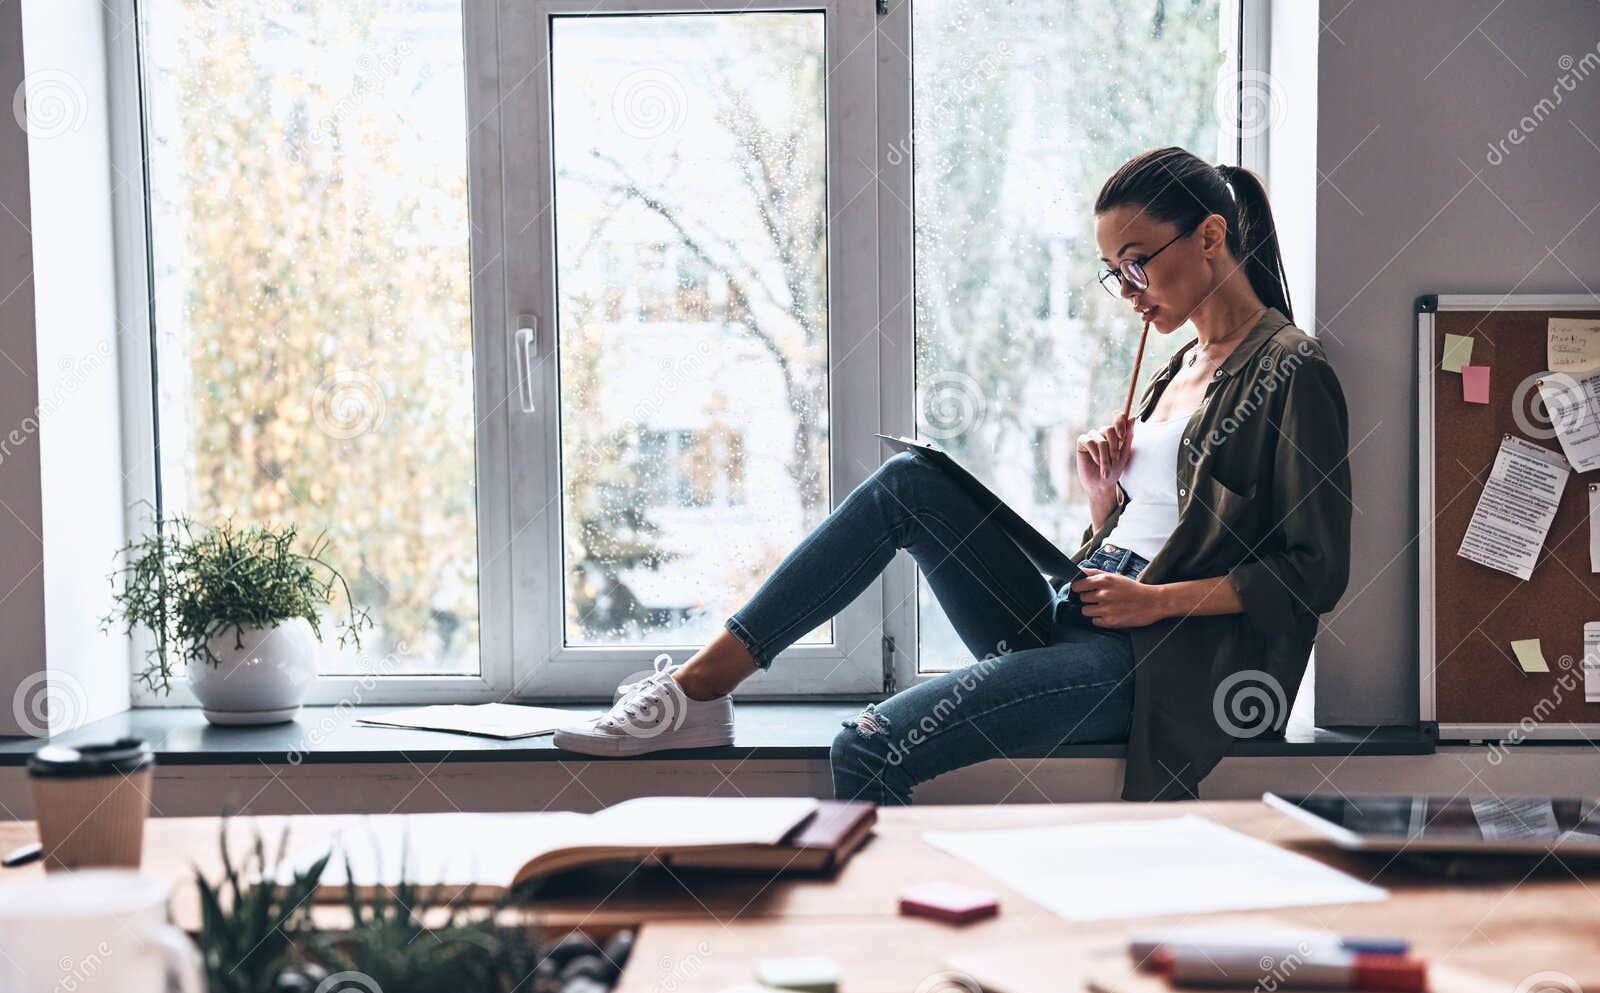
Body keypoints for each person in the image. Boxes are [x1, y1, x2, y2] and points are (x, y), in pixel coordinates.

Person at [554, 145, 1353, 804]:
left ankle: (888, 966)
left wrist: (1155, 601)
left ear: (1211, 236)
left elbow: (1314, 574)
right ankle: (700, 690)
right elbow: (1158, 530)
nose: (1129, 292)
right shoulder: (1179, 364)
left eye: (1139, 263)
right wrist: (1104, 501)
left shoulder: (1292, 372)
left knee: (864, 749)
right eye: (1115, 273)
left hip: (1160, 665)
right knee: (913, 483)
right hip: (1084, 612)